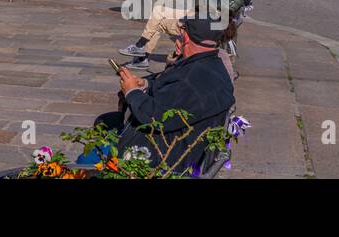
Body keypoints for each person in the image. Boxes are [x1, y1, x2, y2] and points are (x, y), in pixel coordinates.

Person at [91, 18, 235, 175]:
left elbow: (153, 116)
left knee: (88, 158)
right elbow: (171, 86)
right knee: (105, 121)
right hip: (182, 144)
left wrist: (132, 92)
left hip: (161, 157)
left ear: (186, 37)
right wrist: (145, 84)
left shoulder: (189, 79)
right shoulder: (213, 65)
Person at [120, 0, 251, 71]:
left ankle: (141, 52)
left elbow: (219, 13)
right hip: (198, 16)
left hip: (201, 22)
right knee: (158, 11)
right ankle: (141, 50)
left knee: (158, 19)